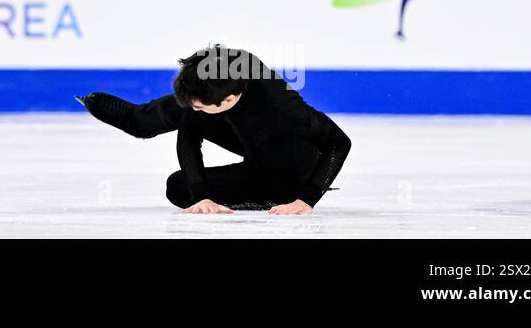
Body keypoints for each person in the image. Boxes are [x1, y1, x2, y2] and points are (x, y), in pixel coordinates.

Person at [79, 46, 353, 214]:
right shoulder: (214, 71)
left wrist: (306, 199)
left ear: (230, 100)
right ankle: (137, 120)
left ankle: (273, 194)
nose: (194, 110)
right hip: (241, 128)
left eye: (201, 106)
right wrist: (203, 196)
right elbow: (188, 136)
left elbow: (339, 143)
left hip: (286, 162)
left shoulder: (284, 109)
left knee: (178, 187)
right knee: (187, 107)